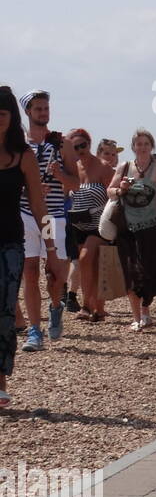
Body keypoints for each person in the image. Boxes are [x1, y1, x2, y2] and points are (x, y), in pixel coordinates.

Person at [0, 87, 60, 408]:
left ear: (11, 119)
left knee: (4, 314)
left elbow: (40, 207)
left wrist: (51, 246)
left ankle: (1, 382)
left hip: (10, 242)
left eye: (3, 115)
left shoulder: (24, 156)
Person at [16, 91, 78, 352]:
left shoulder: (61, 144)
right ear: (28, 112)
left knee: (54, 275)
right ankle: (34, 330)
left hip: (53, 217)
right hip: (26, 215)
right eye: (38, 108)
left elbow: (76, 183)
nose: (43, 112)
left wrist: (59, 175)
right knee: (29, 272)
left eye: (46, 108)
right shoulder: (19, 144)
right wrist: (27, 190)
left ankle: (55, 306)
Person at [105, 129, 156, 331]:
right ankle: (137, 317)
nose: (142, 147)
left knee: (149, 273)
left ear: (151, 146)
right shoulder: (124, 167)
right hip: (127, 229)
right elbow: (110, 191)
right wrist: (121, 190)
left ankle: (146, 310)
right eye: (138, 143)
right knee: (130, 272)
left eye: (145, 143)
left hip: (152, 228)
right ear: (133, 146)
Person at [63, 130, 114, 321]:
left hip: (99, 224)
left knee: (85, 259)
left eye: (82, 145)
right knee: (90, 266)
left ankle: (85, 306)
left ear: (89, 144)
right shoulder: (73, 168)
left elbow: (114, 196)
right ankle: (98, 309)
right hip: (78, 224)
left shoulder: (103, 167)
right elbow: (63, 193)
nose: (80, 150)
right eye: (75, 147)